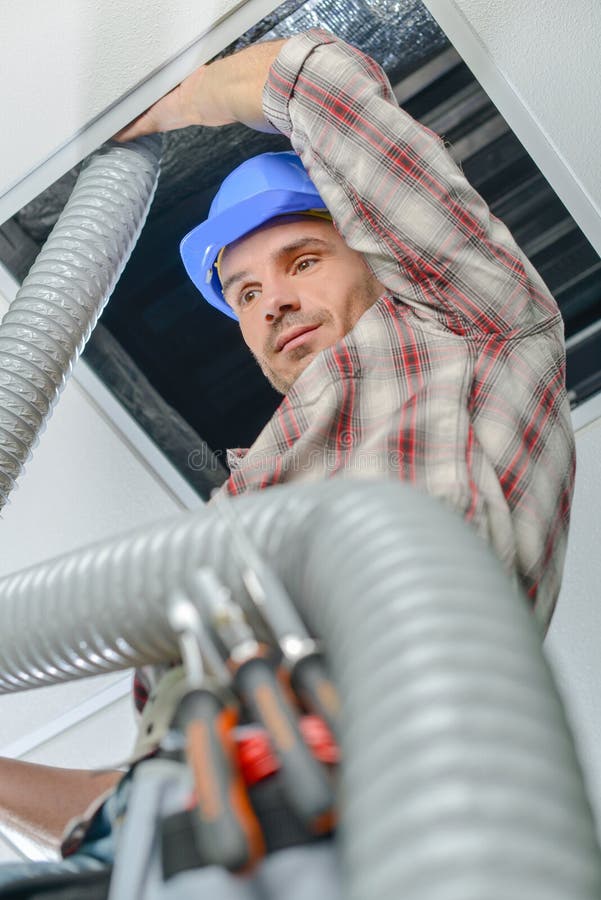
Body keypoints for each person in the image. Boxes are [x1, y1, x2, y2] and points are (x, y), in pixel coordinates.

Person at [0, 27, 574, 864]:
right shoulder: (234, 513)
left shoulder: (473, 330)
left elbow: (323, 82)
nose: (269, 304)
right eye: (244, 292)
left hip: (389, 809)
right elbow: (137, 807)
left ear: (378, 258)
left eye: (303, 260)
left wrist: (155, 104)